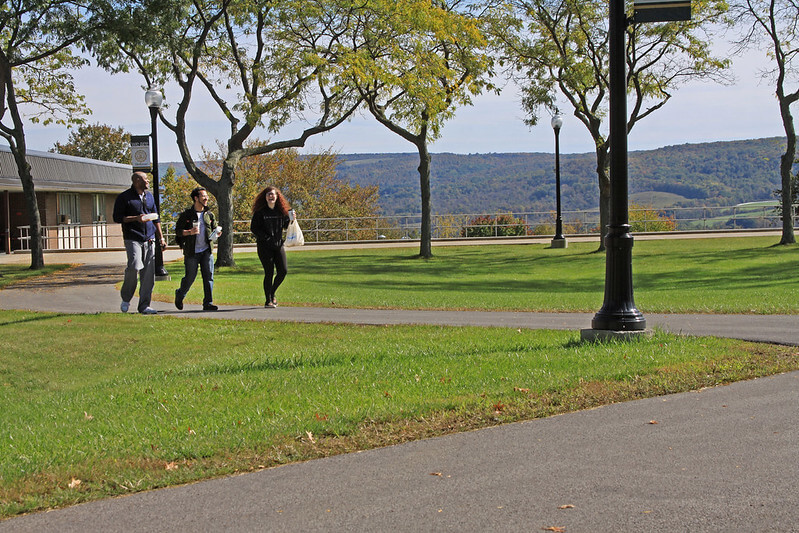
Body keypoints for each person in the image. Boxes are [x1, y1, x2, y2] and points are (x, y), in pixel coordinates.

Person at [112, 171, 167, 314]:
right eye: (146, 179)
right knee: (134, 266)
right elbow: (118, 218)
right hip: (133, 238)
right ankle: (126, 298)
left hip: (150, 238)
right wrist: (136, 218)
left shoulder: (149, 197)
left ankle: (144, 306)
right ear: (137, 181)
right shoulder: (124, 197)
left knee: (148, 274)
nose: (148, 181)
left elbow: (156, 218)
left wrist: (161, 237)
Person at [174, 187, 221, 311]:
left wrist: (217, 233)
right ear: (196, 198)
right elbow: (178, 232)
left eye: (206, 196)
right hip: (191, 252)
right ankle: (180, 294)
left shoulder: (209, 215)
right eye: (203, 196)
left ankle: (208, 303)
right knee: (190, 277)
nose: (206, 199)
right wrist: (189, 232)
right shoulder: (186, 215)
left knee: (209, 276)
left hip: (206, 251)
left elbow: (214, 227)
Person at [250, 186, 295, 308]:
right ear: (265, 197)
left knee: (283, 271)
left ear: (277, 196)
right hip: (264, 246)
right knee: (269, 272)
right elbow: (254, 228)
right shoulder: (260, 212)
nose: (271, 196)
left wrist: (291, 220)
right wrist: (266, 237)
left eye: (273, 194)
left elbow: (286, 226)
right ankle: (268, 300)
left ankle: (272, 292)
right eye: (268, 194)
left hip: (278, 245)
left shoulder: (281, 211)